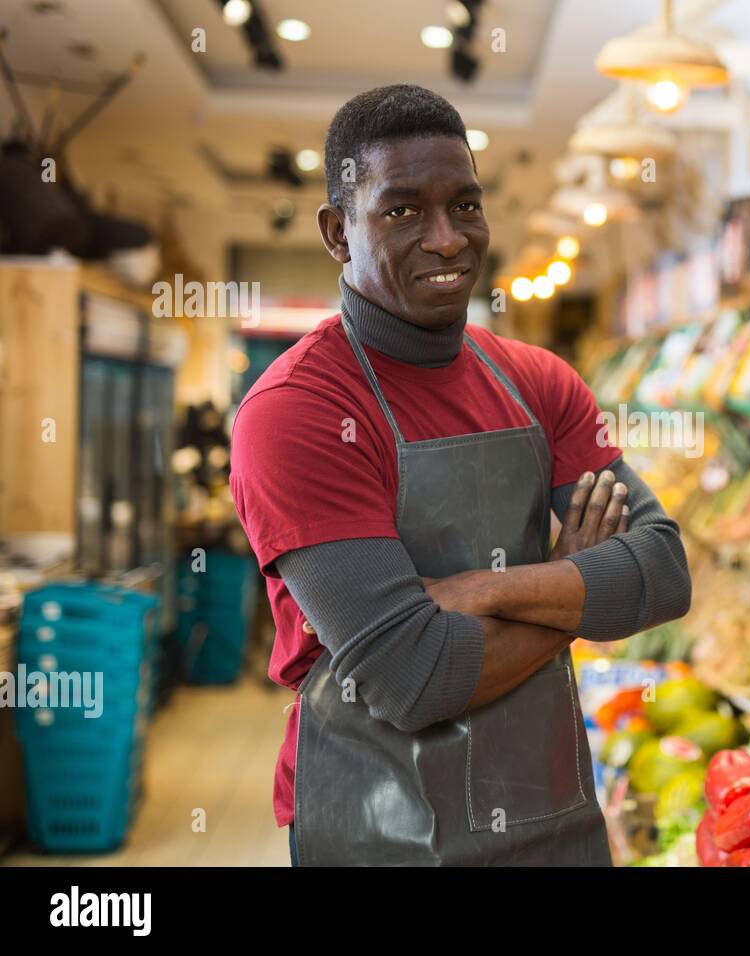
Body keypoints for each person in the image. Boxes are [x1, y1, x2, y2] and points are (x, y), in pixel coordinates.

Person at [229, 84, 691, 866]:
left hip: (550, 805)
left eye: (466, 206)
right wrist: (574, 580)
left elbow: (664, 572)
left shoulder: (540, 382)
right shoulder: (298, 411)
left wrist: (490, 589)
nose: (447, 239)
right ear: (339, 232)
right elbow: (416, 677)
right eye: (402, 210)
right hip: (376, 822)